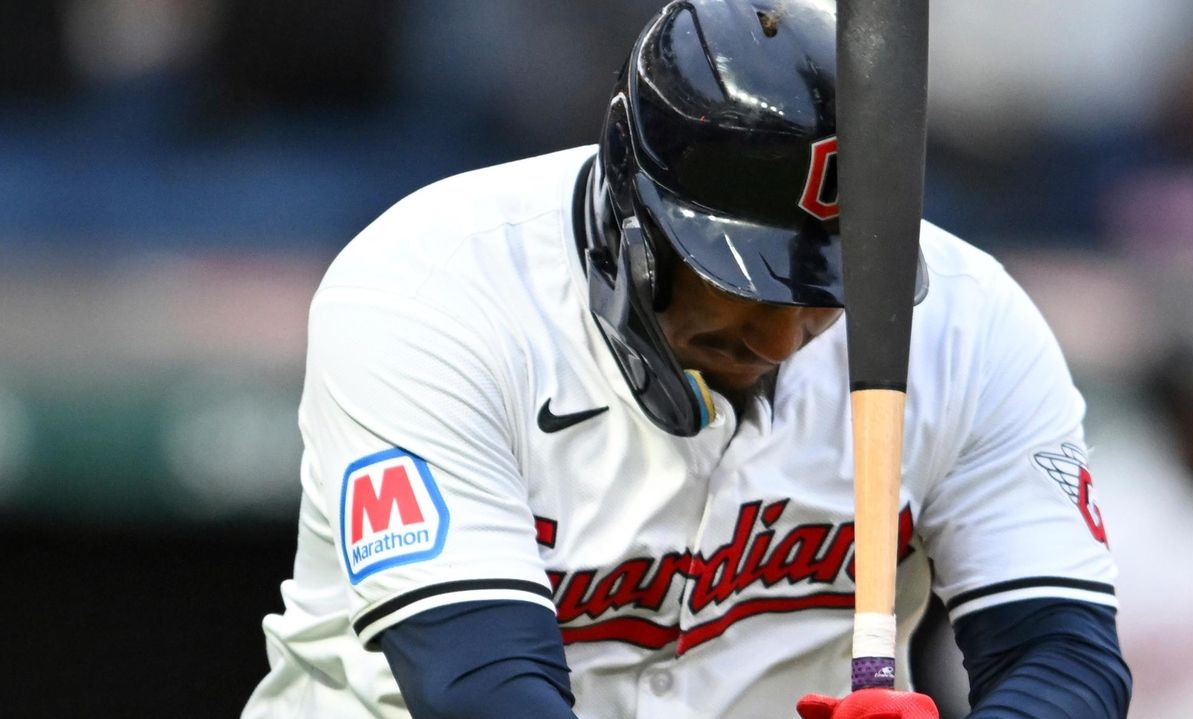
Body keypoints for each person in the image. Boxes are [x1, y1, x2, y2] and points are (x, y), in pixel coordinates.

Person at [243, 2, 1131, 717]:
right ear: (635, 214)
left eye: (822, 294)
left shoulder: (973, 324)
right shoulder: (432, 290)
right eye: (747, 284)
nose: (782, 340)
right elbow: (479, 686)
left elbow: (1065, 654)